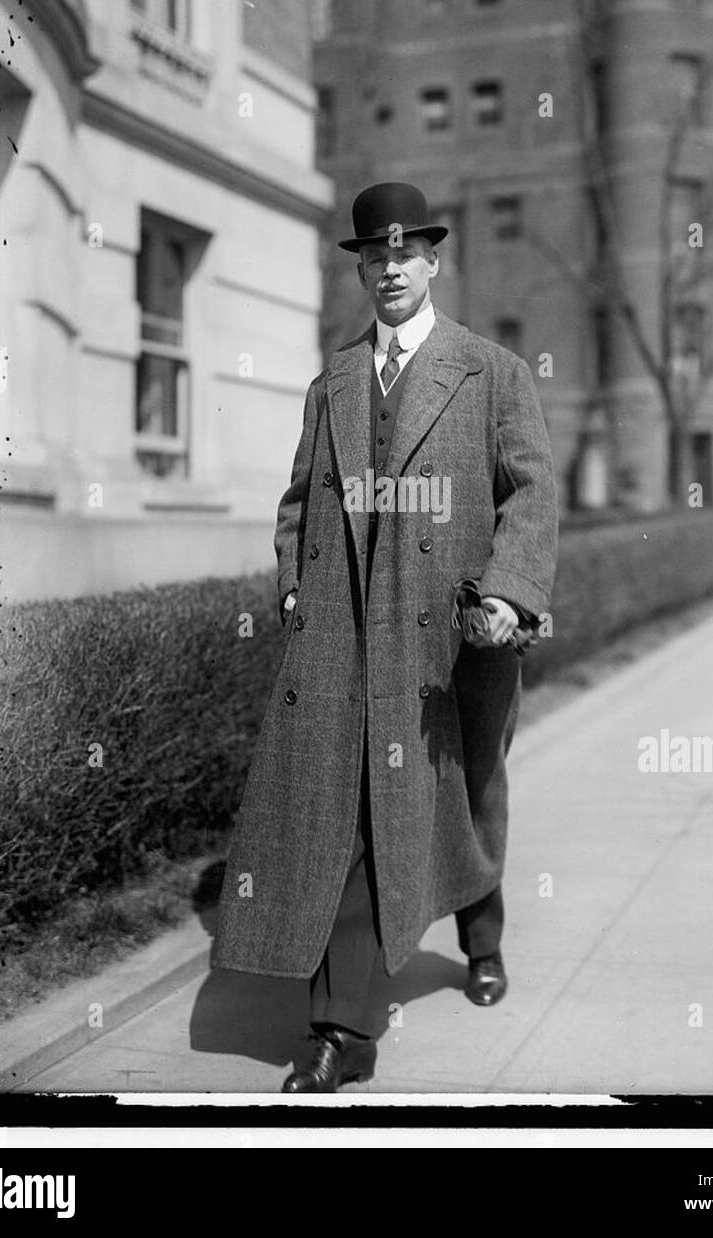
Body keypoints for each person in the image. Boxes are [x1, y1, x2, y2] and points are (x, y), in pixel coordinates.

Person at [211, 182, 558, 1092]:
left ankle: (481, 940)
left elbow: (530, 494)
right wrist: (295, 597)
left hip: (451, 644)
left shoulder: (490, 372)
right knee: (350, 820)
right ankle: (341, 1033)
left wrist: (510, 599)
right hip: (342, 645)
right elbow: (296, 505)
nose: (390, 269)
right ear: (362, 268)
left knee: (463, 798)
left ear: (432, 262)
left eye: (405, 255)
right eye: (375, 257)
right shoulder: (331, 380)